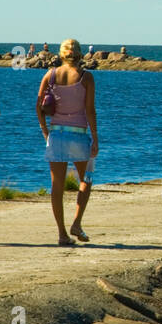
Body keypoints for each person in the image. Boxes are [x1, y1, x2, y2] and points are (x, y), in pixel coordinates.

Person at [36, 39, 97, 245]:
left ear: (61, 54)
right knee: (86, 179)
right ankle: (76, 223)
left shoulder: (50, 75)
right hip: (79, 134)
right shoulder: (86, 77)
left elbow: (38, 106)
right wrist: (95, 138)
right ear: (79, 54)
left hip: (56, 135)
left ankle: (62, 233)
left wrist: (45, 130)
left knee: (57, 186)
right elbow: (90, 111)